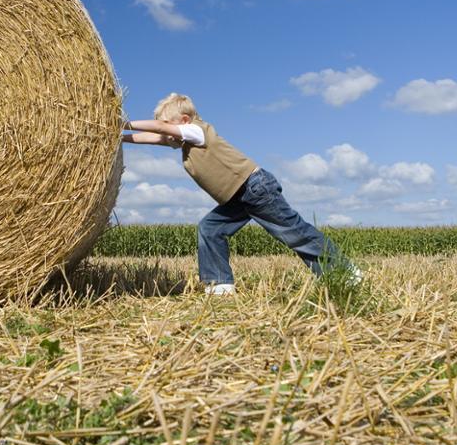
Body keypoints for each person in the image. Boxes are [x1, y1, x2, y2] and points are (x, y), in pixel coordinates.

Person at [122, 92, 358, 295]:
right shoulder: (184, 142)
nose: (167, 136)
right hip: (238, 196)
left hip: (255, 188)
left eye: (169, 126)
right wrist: (116, 135)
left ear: (183, 121)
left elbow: (161, 129)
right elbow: (154, 137)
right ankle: (220, 287)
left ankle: (345, 272)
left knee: (294, 233)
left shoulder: (196, 131)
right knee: (210, 229)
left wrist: (126, 123)